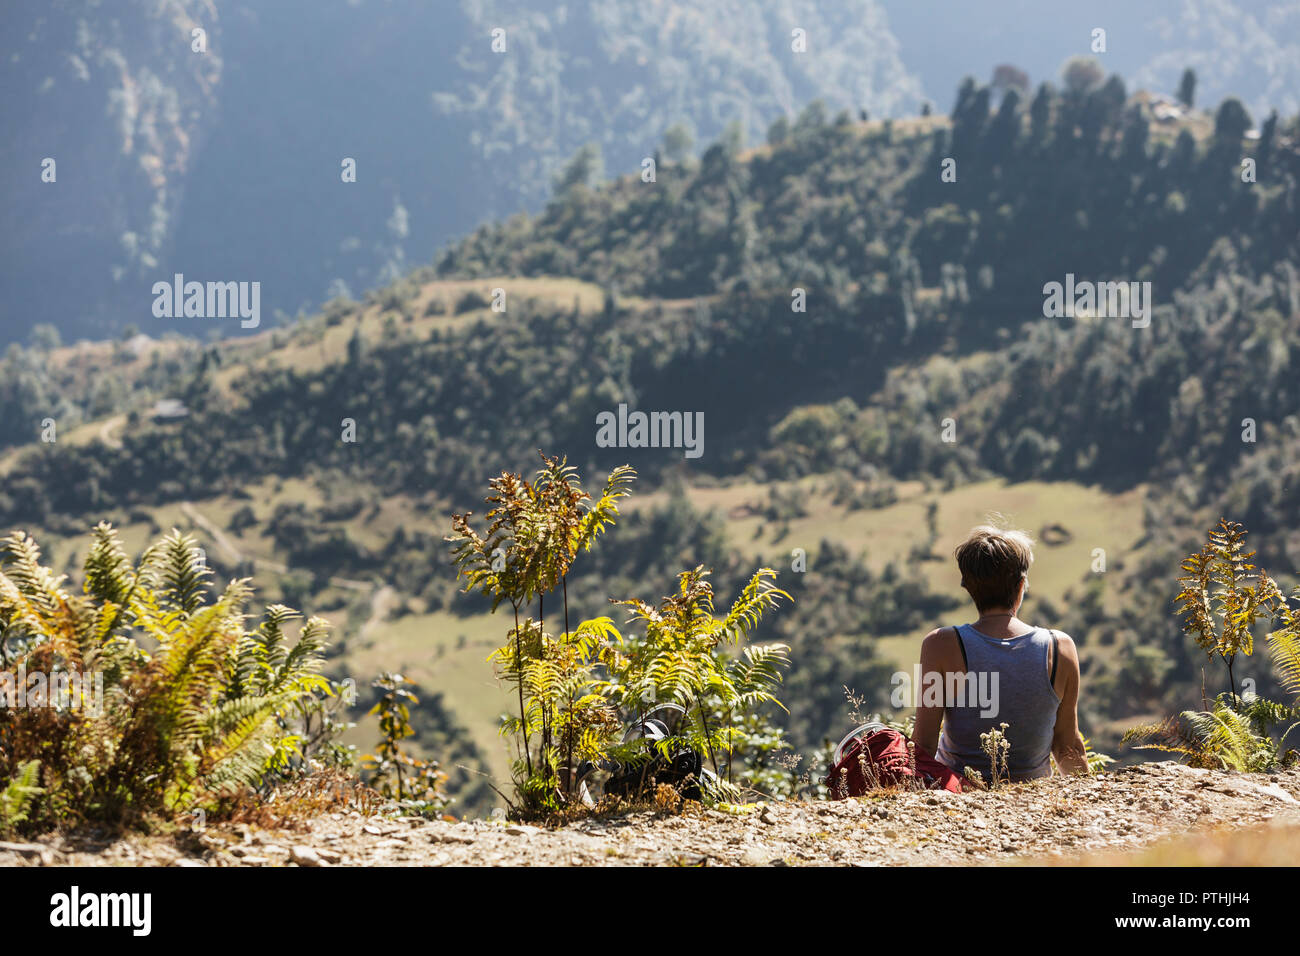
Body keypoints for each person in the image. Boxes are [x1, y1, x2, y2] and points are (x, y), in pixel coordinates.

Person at [912, 525, 1088, 782]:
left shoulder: (940, 645)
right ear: (1021, 585)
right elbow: (1066, 746)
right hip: (1034, 800)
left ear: (967, 586)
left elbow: (923, 746)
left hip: (958, 799)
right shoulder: (1060, 648)